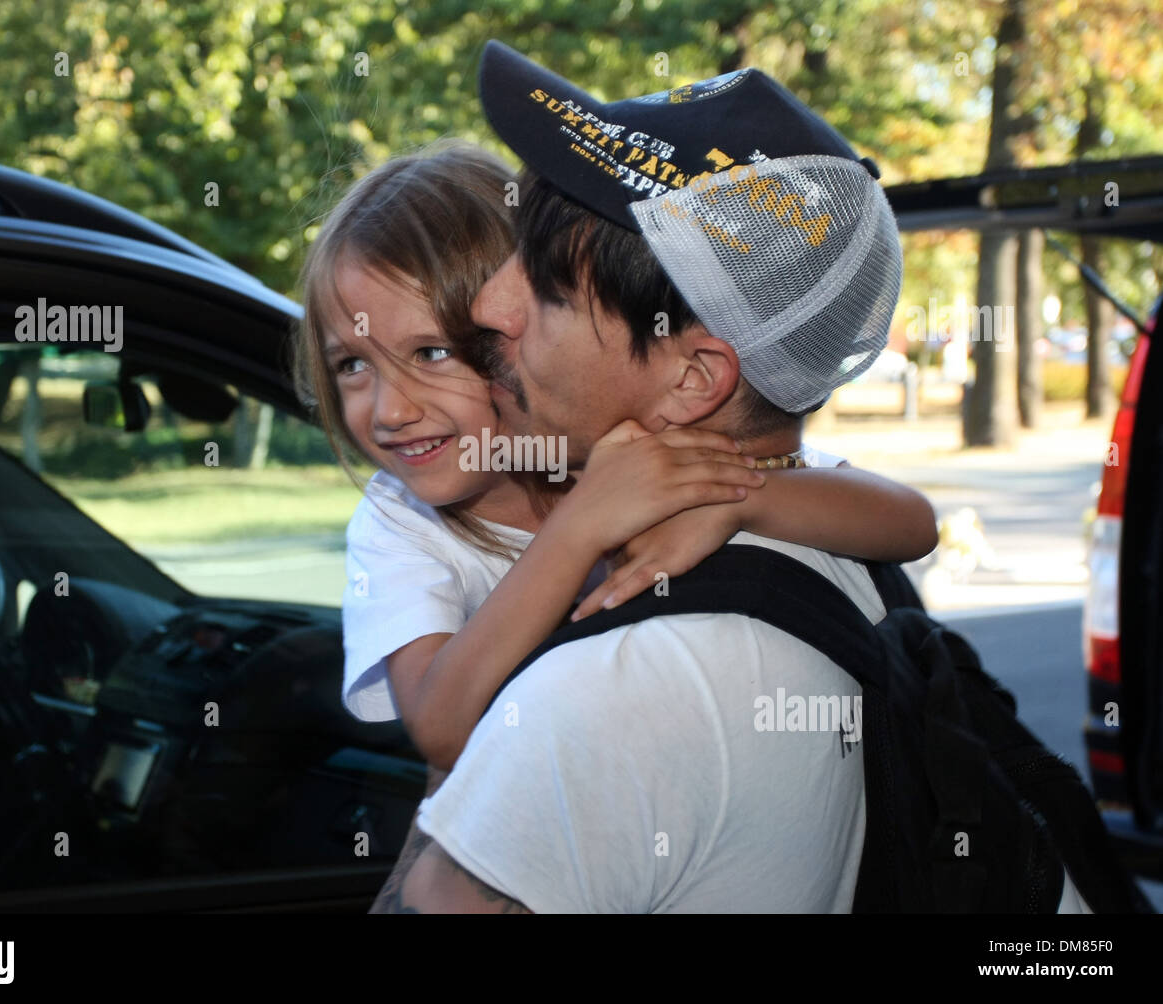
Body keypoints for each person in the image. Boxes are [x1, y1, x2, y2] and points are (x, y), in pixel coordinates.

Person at [383, 42, 1090, 913]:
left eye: (547, 289)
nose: (487, 307)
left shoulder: (619, 692)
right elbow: (913, 520)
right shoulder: (836, 553)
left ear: (694, 379)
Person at [293, 137, 938, 909]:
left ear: (508, 338)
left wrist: (750, 497)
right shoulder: (401, 525)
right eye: (351, 366)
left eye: (430, 353)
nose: (389, 411)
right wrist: (579, 532)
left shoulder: (631, 446)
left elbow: (911, 521)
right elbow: (440, 726)